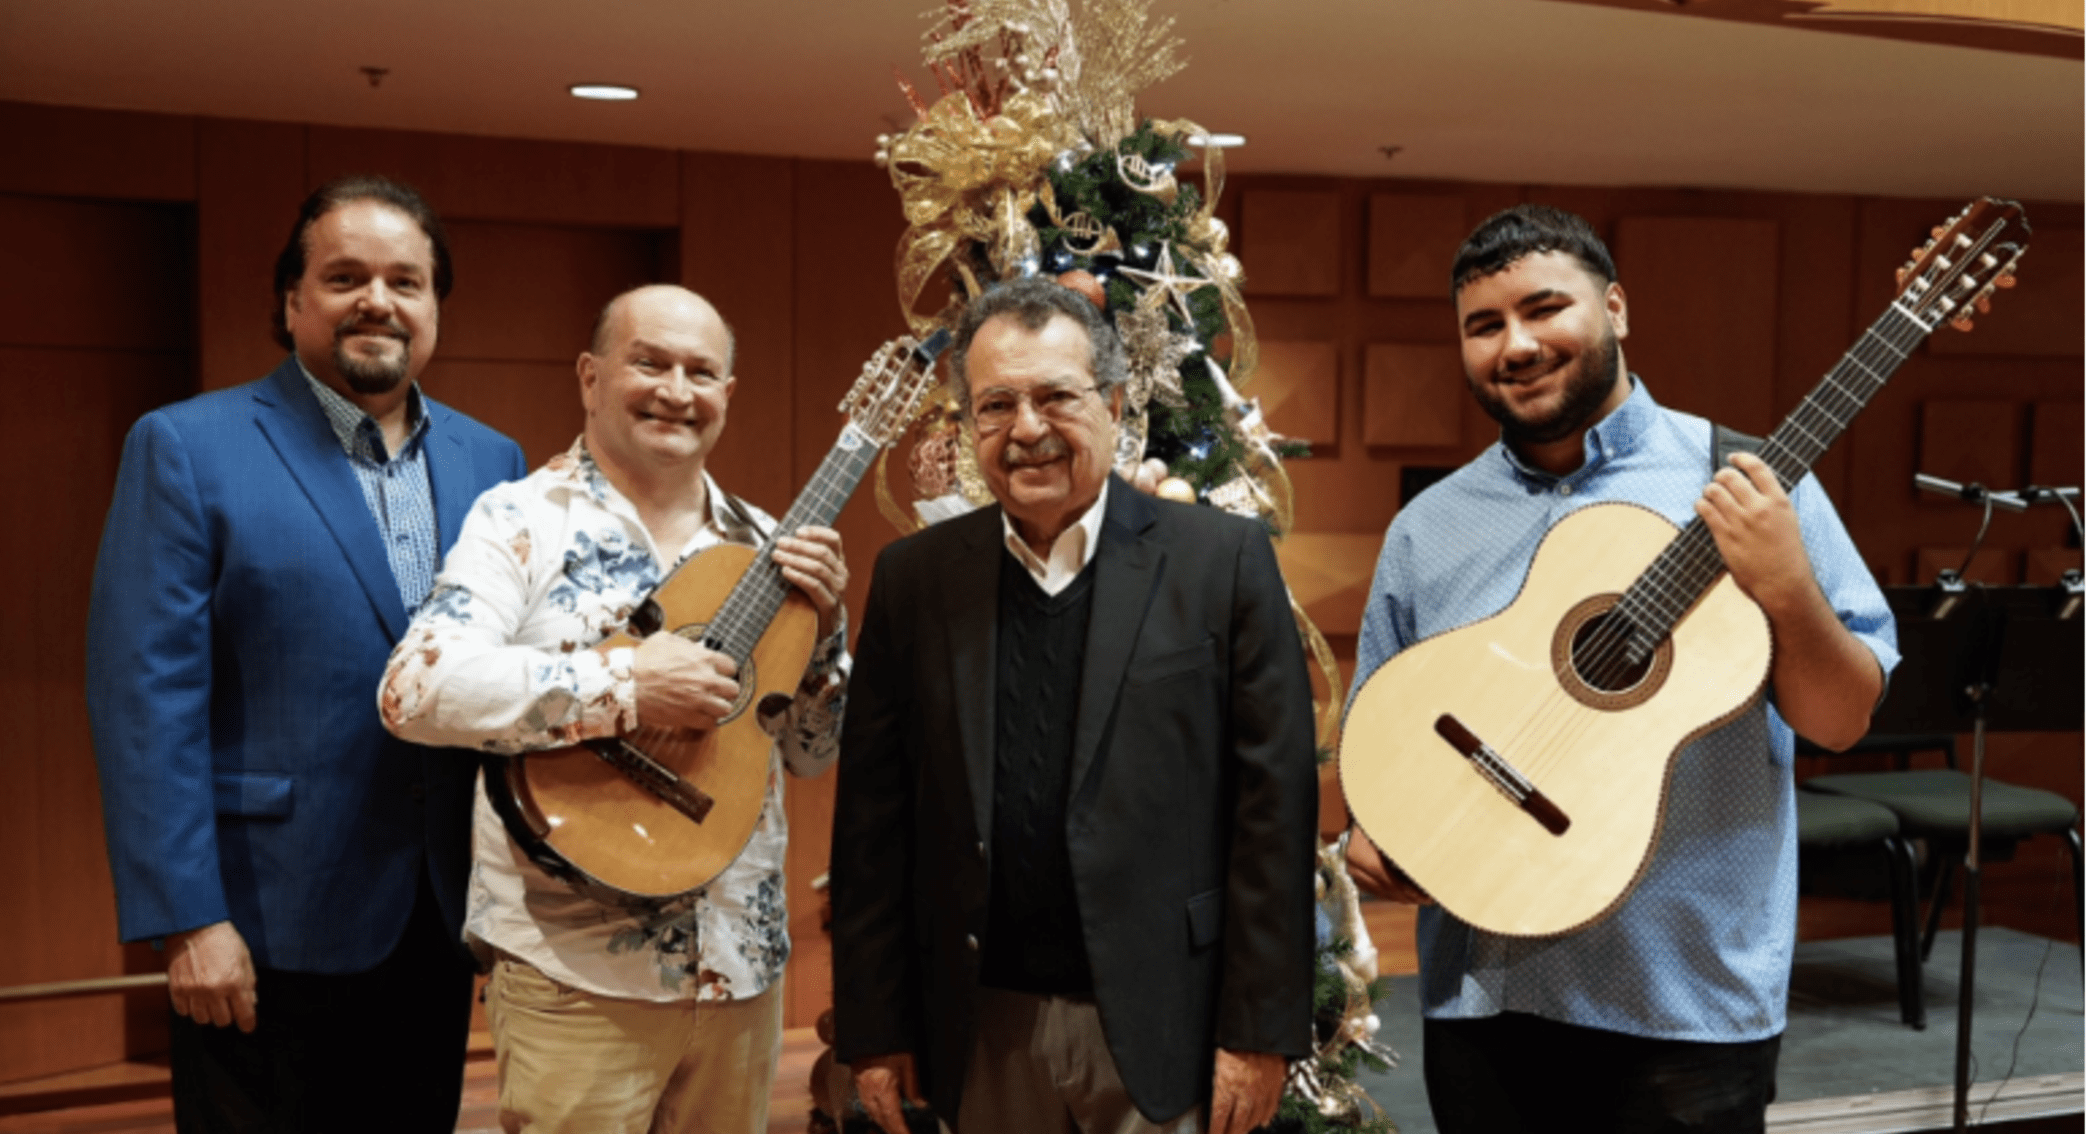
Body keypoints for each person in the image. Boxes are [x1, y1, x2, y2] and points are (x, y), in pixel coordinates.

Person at [1344, 204, 1898, 1133]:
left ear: (1617, 308)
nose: (1515, 345)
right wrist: (1373, 826)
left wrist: (1787, 583)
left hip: (1686, 1002)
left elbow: (1841, 718)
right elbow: (1385, 731)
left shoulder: (1757, 485)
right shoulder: (1429, 527)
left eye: (1543, 308)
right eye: (1484, 326)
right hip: (1486, 999)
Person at [85, 175, 528, 1132]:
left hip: (437, 915)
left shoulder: (494, 463)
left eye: (406, 280)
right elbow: (144, 700)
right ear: (292, 303)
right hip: (261, 924)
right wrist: (189, 920)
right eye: (345, 277)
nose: (379, 299)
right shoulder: (186, 447)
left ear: (435, 306)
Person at [829, 277, 1319, 1134]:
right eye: (996, 405)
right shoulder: (914, 580)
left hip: (1171, 1021)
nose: (1026, 430)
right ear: (969, 422)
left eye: (1057, 396)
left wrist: (1260, 1028)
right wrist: (876, 1026)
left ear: (1118, 403)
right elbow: (873, 820)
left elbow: (1273, 813)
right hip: (981, 1024)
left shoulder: (1221, 563)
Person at [377, 284, 851, 1134]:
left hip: (743, 965)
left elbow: (812, 752)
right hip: (576, 975)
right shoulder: (520, 520)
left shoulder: (767, 543)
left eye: (701, 371)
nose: (677, 389)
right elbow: (414, 690)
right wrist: (628, 687)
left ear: (728, 396)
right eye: (650, 363)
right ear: (590, 378)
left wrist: (828, 634)